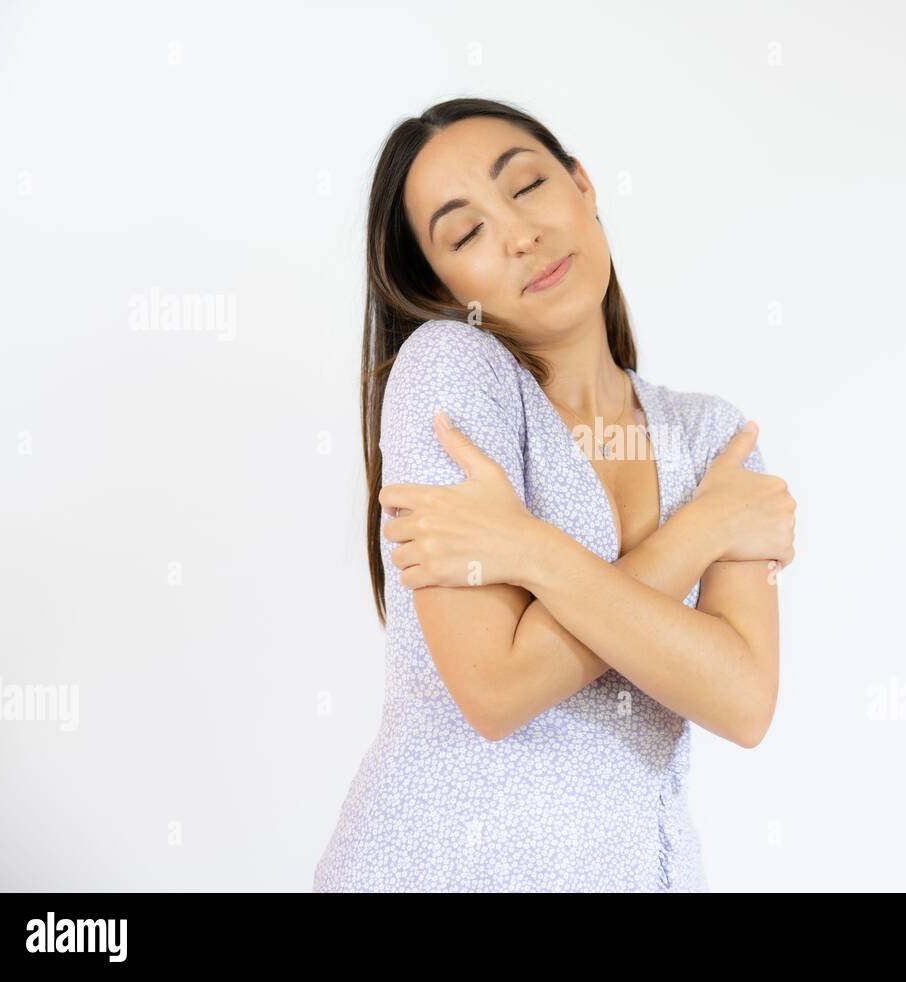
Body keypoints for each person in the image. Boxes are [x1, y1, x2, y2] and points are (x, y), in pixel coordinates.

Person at [313, 98, 796, 892]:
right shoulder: (450, 373)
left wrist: (531, 553)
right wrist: (701, 530)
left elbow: (743, 700)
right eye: (464, 233)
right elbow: (498, 689)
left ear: (582, 185)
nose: (517, 233)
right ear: (436, 282)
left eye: (528, 186)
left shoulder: (712, 435)